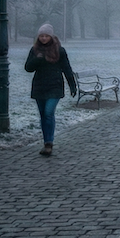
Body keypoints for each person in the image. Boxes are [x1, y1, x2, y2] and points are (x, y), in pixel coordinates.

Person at [24, 24, 76, 157]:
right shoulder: (35, 50)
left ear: (51, 36)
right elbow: (28, 68)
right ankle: (46, 140)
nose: (44, 38)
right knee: (43, 115)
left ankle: (49, 143)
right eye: (41, 36)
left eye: (46, 36)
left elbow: (67, 68)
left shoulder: (60, 50)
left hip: (55, 86)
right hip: (39, 86)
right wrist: (38, 59)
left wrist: (72, 85)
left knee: (48, 113)